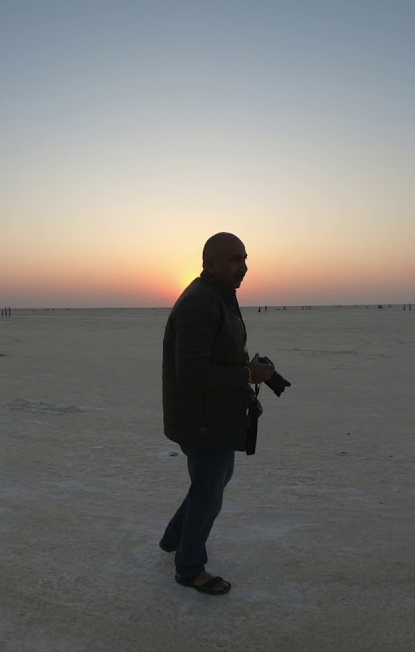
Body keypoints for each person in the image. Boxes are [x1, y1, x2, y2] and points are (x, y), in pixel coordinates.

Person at [159, 232, 275, 595]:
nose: (243, 266)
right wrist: (246, 375)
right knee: (209, 491)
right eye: (233, 259)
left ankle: (175, 539)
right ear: (209, 263)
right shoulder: (199, 303)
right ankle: (190, 568)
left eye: (244, 258)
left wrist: (252, 368)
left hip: (216, 415)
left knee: (212, 482)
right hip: (201, 420)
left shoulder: (220, 298)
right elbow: (192, 373)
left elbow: (219, 353)